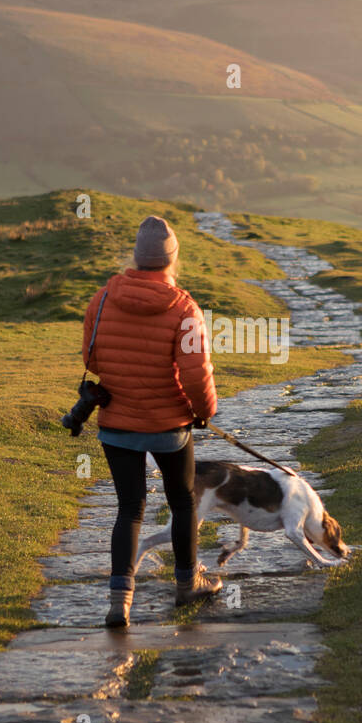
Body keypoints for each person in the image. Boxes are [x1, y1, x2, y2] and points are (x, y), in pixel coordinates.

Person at [82, 214, 222, 627]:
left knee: (129, 509)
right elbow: (196, 374)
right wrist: (204, 412)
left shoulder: (102, 299)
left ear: (137, 258)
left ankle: (119, 603)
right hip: (169, 428)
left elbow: (90, 358)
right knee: (181, 502)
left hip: (117, 424)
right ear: (171, 260)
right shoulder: (185, 308)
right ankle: (187, 584)